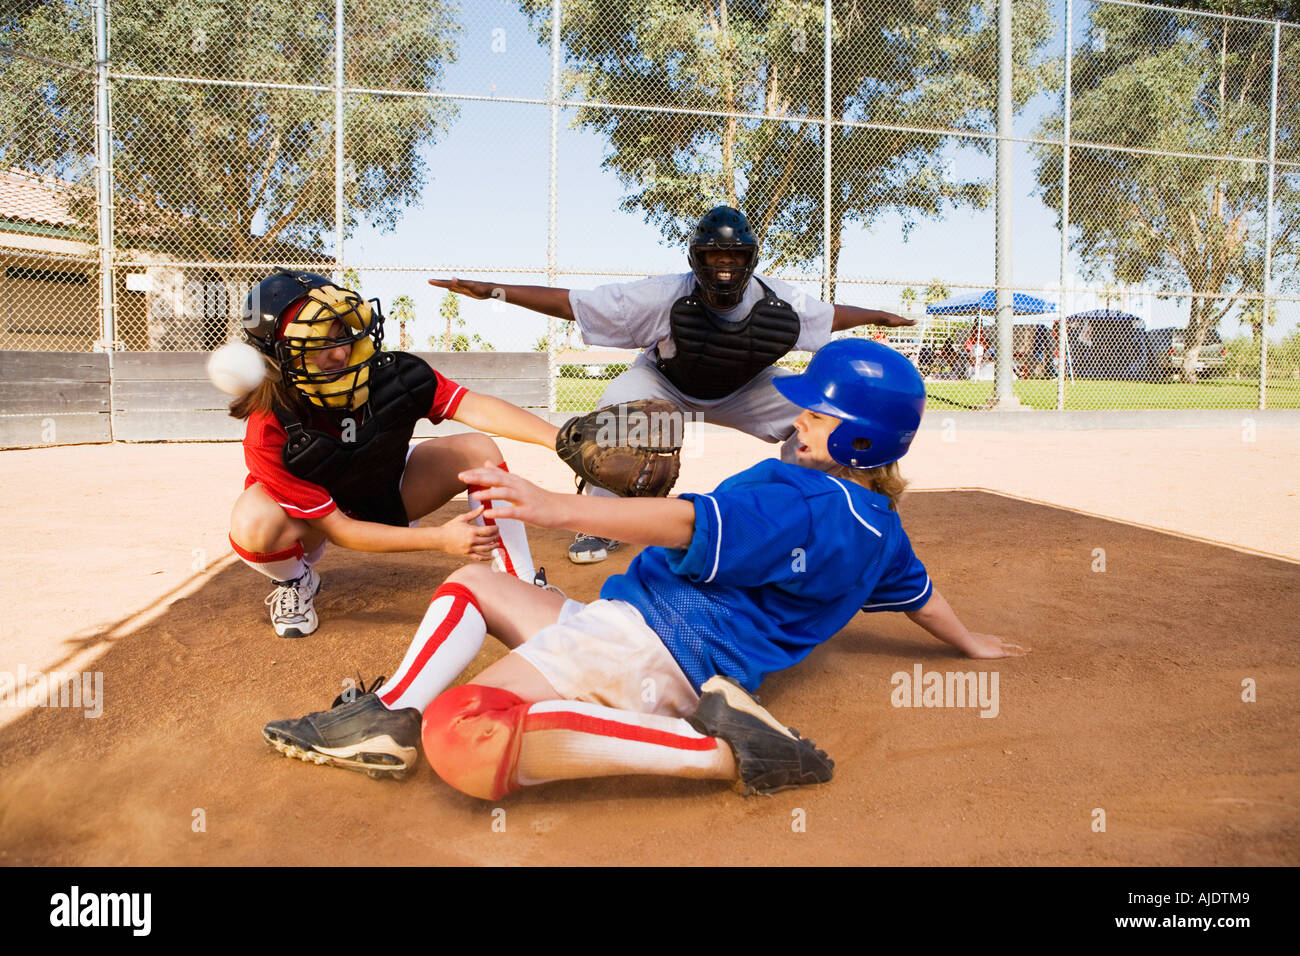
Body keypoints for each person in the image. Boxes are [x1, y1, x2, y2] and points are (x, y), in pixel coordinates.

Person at [261, 339, 1029, 798]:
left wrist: (553, 507)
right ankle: (387, 717)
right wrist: (968, 642)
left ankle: (721, 752)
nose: (799, 418)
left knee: (462, 732)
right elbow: (918, 594)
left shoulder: (802, 500)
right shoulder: (881, 529)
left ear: (862, 442)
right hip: (633, 632)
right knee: (475, 584)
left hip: (652, 651)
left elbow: (691, 522)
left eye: (819, 416)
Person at [429, 205, 915, 566]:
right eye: (714, 254)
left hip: (747, 387)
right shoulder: (664, 294)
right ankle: (599, 520)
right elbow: (574, 303)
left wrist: (876, 315)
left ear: (750, 259)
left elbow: (830, 317)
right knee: (617, 415)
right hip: (665, 382)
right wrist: (495, 291)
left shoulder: (777, 299)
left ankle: (805, 510)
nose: (724, 265)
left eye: (734, 255)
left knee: (814, 418)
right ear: (696, 258)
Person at [230, 269, 559, 638]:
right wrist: (439, 538)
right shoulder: (269, 429)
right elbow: (340, 530)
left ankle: (520, 582)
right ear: (276, 360)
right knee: (253, 519)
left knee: (478, 450)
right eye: (319, 343)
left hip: (388, 488)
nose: (341, 352)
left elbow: (473, 405)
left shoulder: (390, 374)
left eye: (341, 333)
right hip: (316, 525)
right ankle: (294, 580)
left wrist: (560, 439)